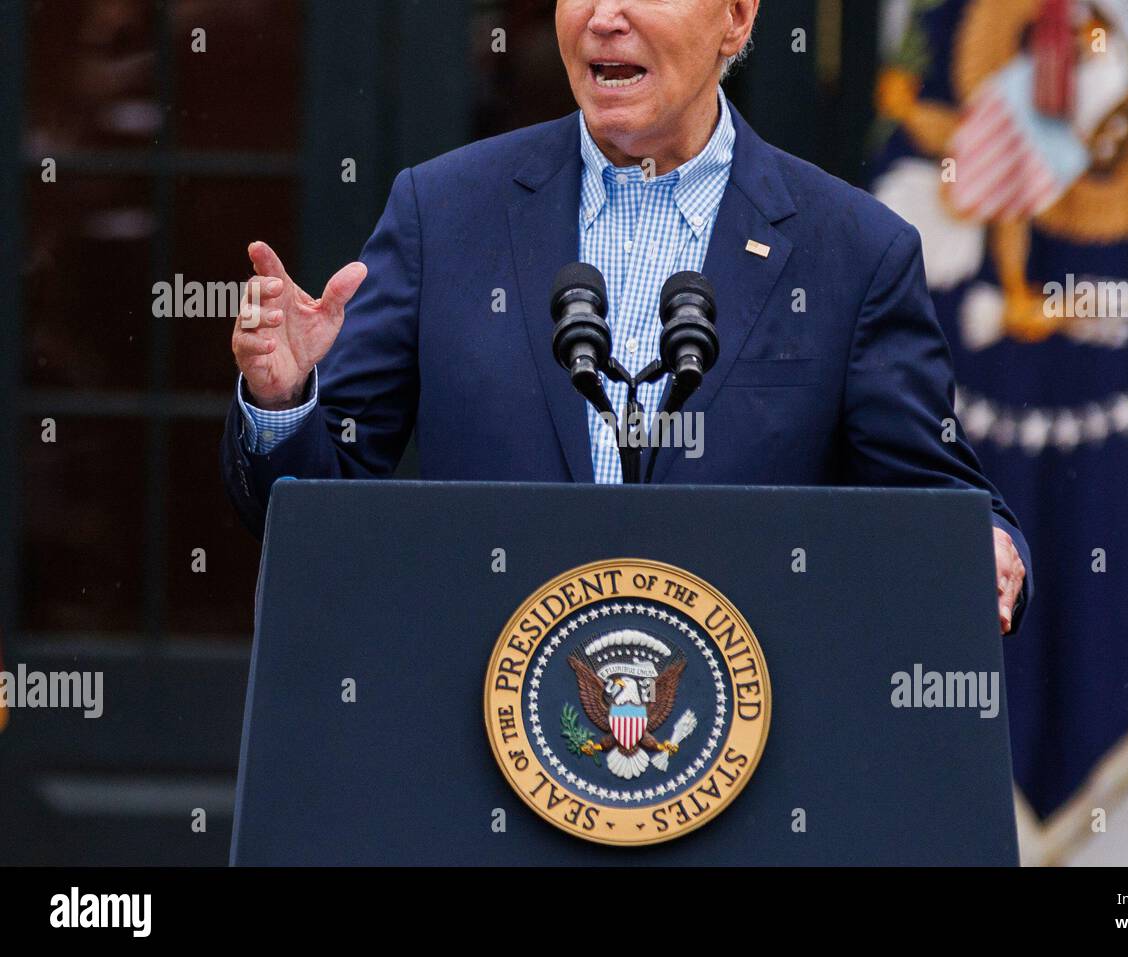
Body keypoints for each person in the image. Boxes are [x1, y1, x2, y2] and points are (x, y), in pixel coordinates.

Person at [221, 0, 1030, 632]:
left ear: (736, 21)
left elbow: (940, 500)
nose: (605, 19)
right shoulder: (444, 212)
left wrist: (985, 551)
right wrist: (285, 399)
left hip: (745, 774)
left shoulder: (853, 252)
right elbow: (312, 512)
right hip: (485, 763)